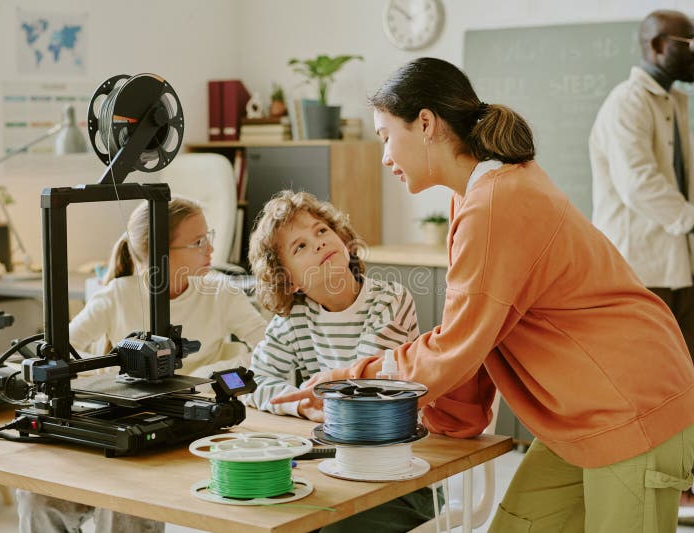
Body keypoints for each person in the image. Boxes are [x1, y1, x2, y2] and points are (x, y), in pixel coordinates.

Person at [274, 57, 694, 532]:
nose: (386, 156)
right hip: (588, 413)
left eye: (386, 136)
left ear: (427, 124)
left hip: (631, 403)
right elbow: (475, 333)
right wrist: (447, 415)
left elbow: (458, 345)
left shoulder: (495, 202)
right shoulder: (476, 196)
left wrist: (350, 383)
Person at [16, 198, 268, 533]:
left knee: (125, 502)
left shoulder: (219, 291)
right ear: (161, 255)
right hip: (119, 421)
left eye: (209, 237)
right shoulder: (116, 295)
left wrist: (207, 375)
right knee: (36, 498)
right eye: (198, 242)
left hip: (187, 428)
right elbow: (58, 351)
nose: (211, 249)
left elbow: (268, 347)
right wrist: (107, 379)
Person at [244, 191, 439, 533]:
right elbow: (254, 381)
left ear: (344, 242)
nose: (318, 244)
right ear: (288, 280)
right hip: (331, 470)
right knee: (264, 518)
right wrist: (302, 407)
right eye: (300, 247)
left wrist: (315, 395)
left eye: (321, 231)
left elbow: (360, 391)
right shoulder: (294, 317)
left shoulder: (389, 300)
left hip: (401, 478)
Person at [590, 9, 694, 361]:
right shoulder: (627, 102)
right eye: (689, 43)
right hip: (638, 272)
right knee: (646, 378)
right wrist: (691, 218)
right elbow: (637, 182)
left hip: (677, 268)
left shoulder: (674, 101)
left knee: (682, 378)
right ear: (657, 45)